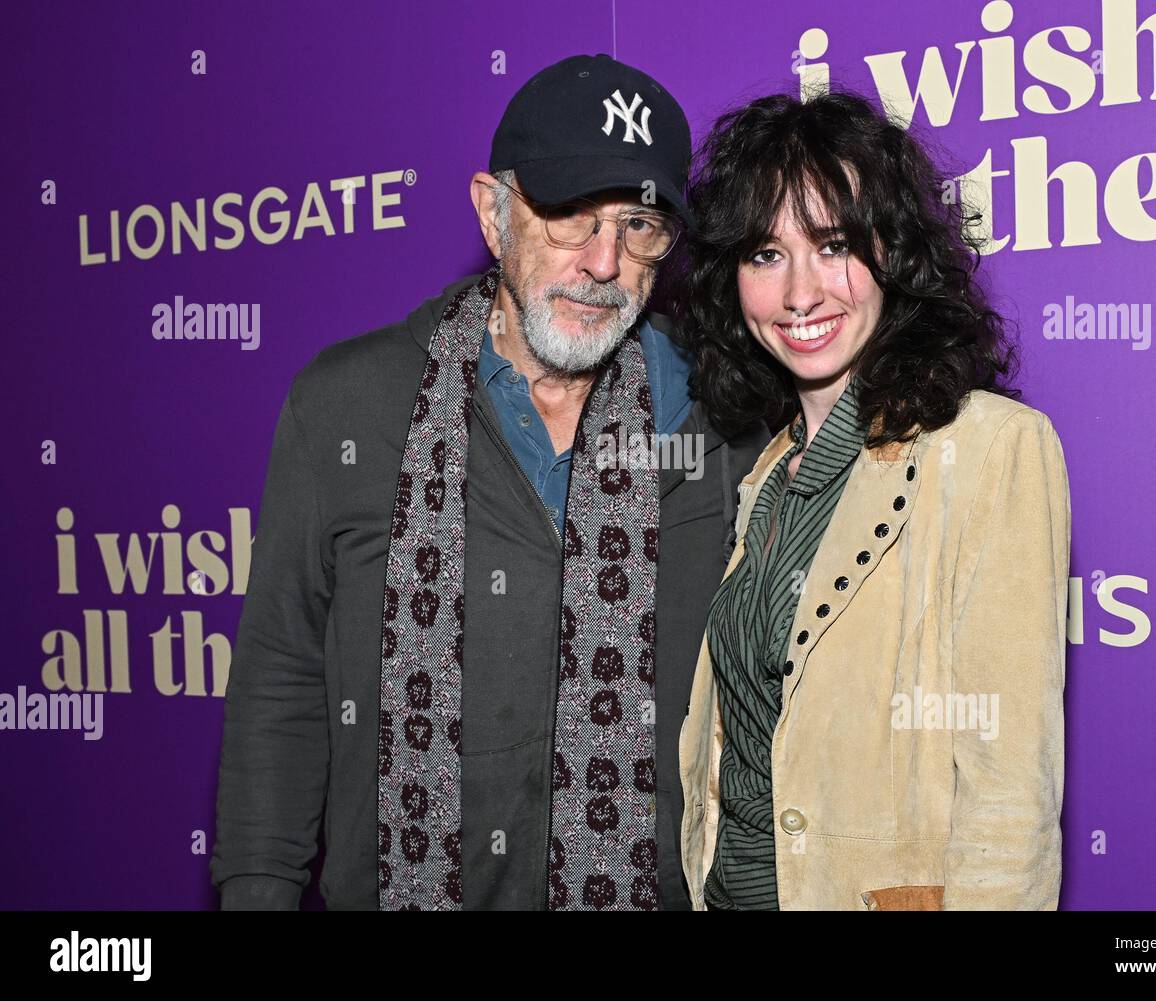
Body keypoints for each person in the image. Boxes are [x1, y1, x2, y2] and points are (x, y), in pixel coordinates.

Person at [210, 53, 770, 911]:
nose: (603, 262)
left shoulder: (725, 418)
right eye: (569, 217)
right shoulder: (346, 405)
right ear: (491, 210)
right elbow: (280, 681)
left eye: (639, 227)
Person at [673, 88, 1072, 910]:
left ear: (891, 250)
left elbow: (1008, 796)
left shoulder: (992, 450)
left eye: (832, 245)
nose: (800, 292)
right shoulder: (767, 473)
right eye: (764, 254)